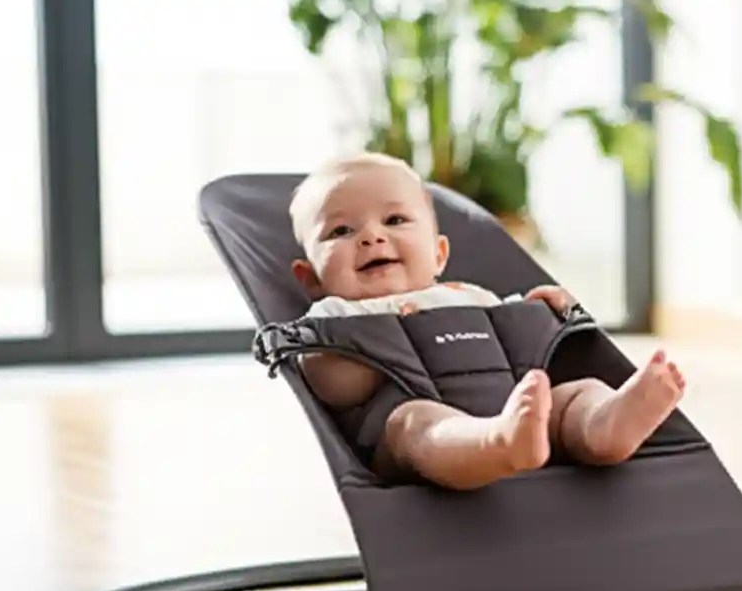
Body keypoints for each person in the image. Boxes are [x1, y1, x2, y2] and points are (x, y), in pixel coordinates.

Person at [288, 152, 685, 490]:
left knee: (574, 394)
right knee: (415, 424)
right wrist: (365, 350)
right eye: (341, 230)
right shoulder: (337, 313)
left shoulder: (468, 295)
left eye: (394, 221)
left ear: (439, 254)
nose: (371, 237)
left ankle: (604, 425)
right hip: (415, 427)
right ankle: (496, 442)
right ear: (312, 279)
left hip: (513, 404)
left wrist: (543, 308)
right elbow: (335, 387)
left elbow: (514, 338)